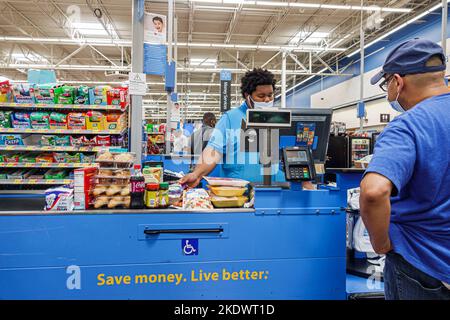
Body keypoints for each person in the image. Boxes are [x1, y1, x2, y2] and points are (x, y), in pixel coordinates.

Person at [360, 39, 450, 300]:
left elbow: (374, 192)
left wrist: (380, 243)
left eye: (385, 83)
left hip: (422, 265)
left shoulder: (408, 126)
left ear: (398, 82)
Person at [180, 68, 277, 187]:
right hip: (237, 195)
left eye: (270, 95)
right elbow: (213, 151)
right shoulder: (230, 119)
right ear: (248, 95)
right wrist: (197, 174)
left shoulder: (278, 119)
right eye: (261, 96)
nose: (267, 100)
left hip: (273, 192)